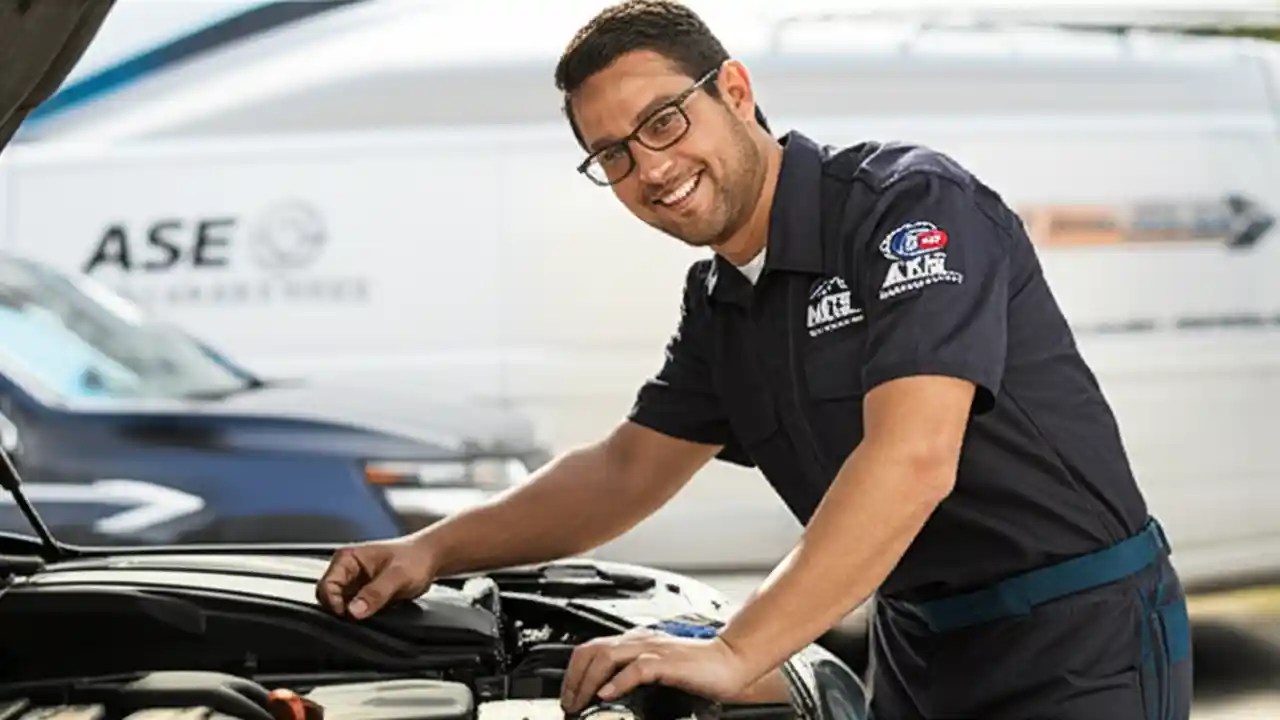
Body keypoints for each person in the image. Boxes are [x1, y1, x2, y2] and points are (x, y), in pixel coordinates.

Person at [316, 2, 1193, 717]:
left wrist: (736, 650)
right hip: (921, 646)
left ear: (734, 90)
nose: (649, 168)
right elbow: (624, 471)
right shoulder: (722, 301)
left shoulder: (909, 206)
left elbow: (913, 457)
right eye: (612, 155)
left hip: (1078, 642)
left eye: (663, 121)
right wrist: (430, 551)